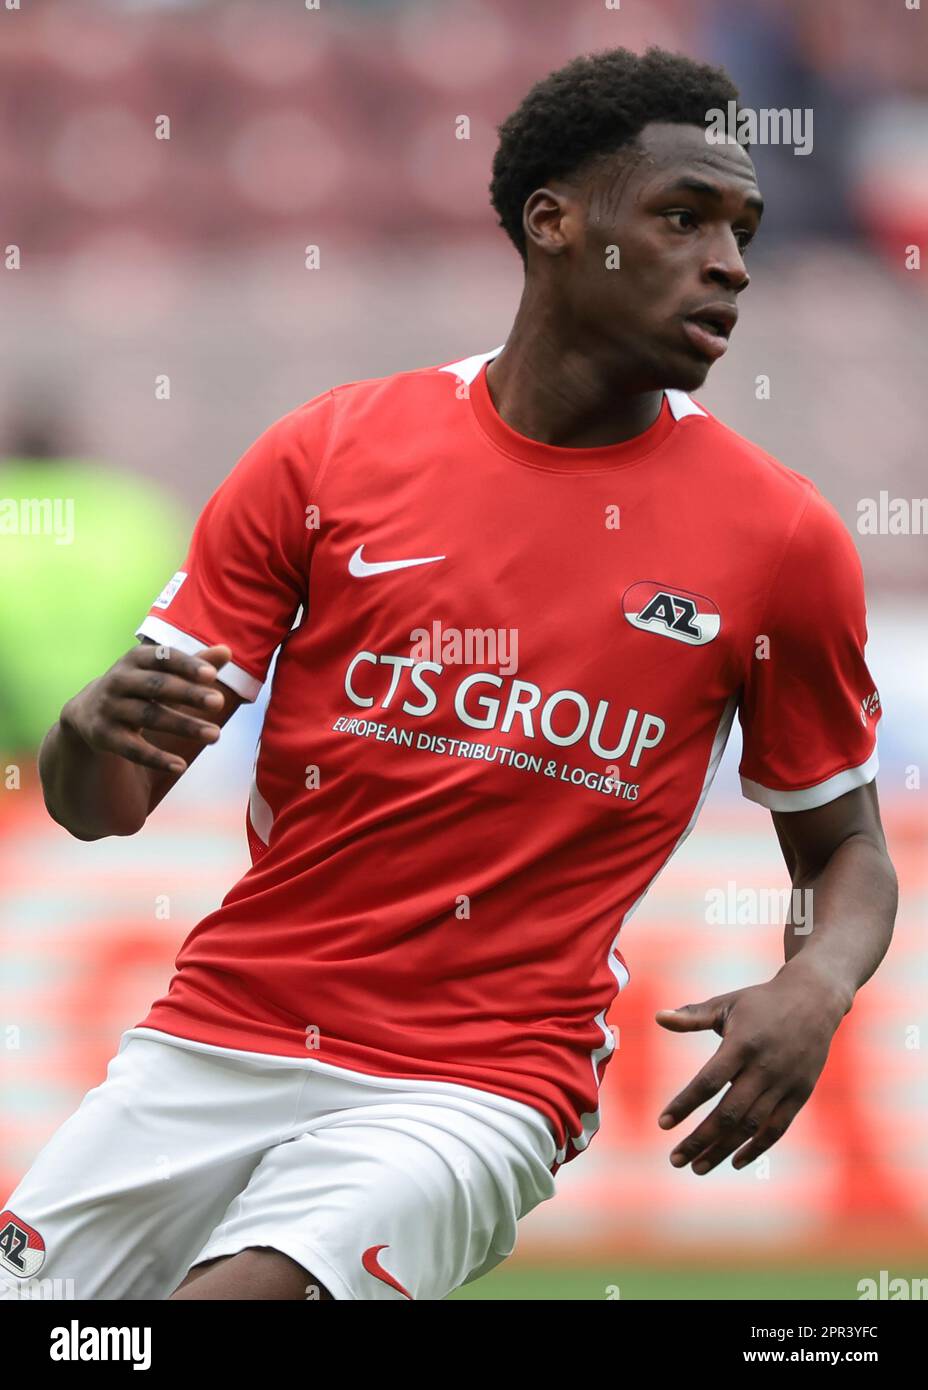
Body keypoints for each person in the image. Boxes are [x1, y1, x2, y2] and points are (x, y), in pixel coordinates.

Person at [2, 46, 896, 1302]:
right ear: (555, 223)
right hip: (214, 1038)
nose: (732, 262)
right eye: (685, 217)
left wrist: (816, 979)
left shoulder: (778, 540)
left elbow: (845, 845)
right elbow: (102, 806)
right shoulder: (332, 453)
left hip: (476, 1083)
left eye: (743, 229)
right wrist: (85, 727)